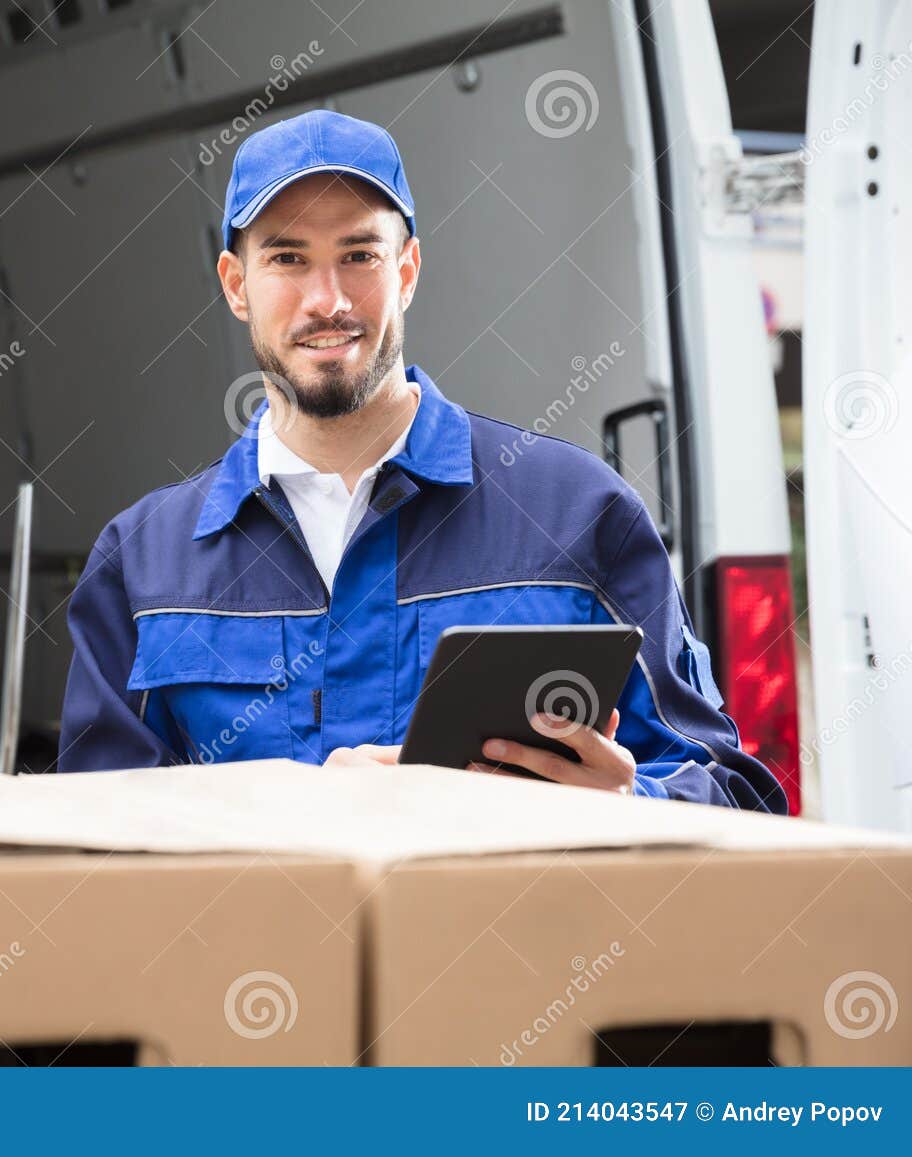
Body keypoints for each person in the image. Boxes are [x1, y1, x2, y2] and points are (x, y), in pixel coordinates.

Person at [56, 109, 784, 812]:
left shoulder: (579, 515)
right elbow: (91, 855)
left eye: (359, 255)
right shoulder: (142, 564)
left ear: (406, 270)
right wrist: (290, 809)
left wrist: (633, 799)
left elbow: (738, 796)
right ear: (236, 284)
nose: (328, 298)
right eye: (287, 257)